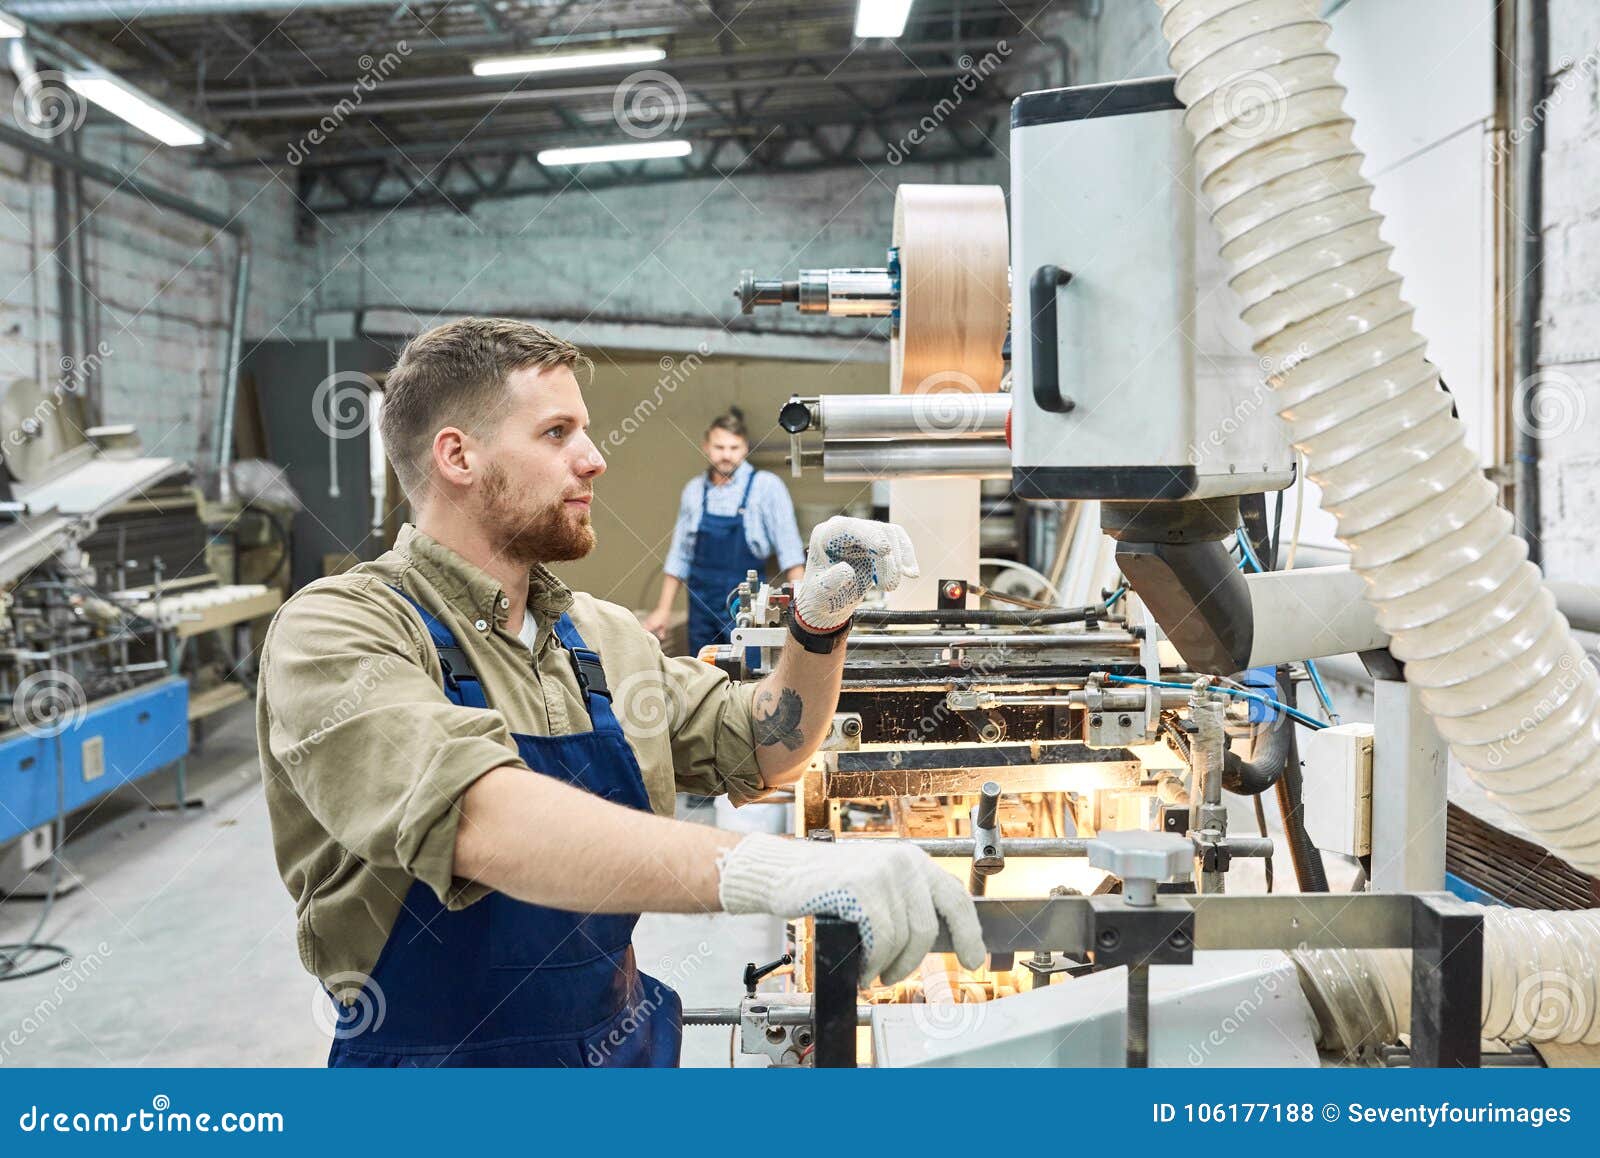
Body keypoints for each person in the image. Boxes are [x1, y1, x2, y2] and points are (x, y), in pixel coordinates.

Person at [255, 318, 983, 1068]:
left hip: (617, 1051)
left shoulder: (603, 637)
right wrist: (776, 871)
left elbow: (764, 745)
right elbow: (475, 817)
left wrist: (819, 625)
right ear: (458, 456)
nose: (594, 459)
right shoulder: (337, 629)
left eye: (585, 430)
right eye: (557, 433)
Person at [643, 408, 805, 655]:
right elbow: (679, 556)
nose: (726, 455)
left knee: (750, 671)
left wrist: (801, 611)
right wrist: (663, 610)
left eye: (734, 448)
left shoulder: (766, 487)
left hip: (747, 607)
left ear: (745, 448)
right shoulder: (694, 491)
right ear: (706, 447)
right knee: (703, 670)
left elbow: (790, 553)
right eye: (719, 447)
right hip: (701, 609)